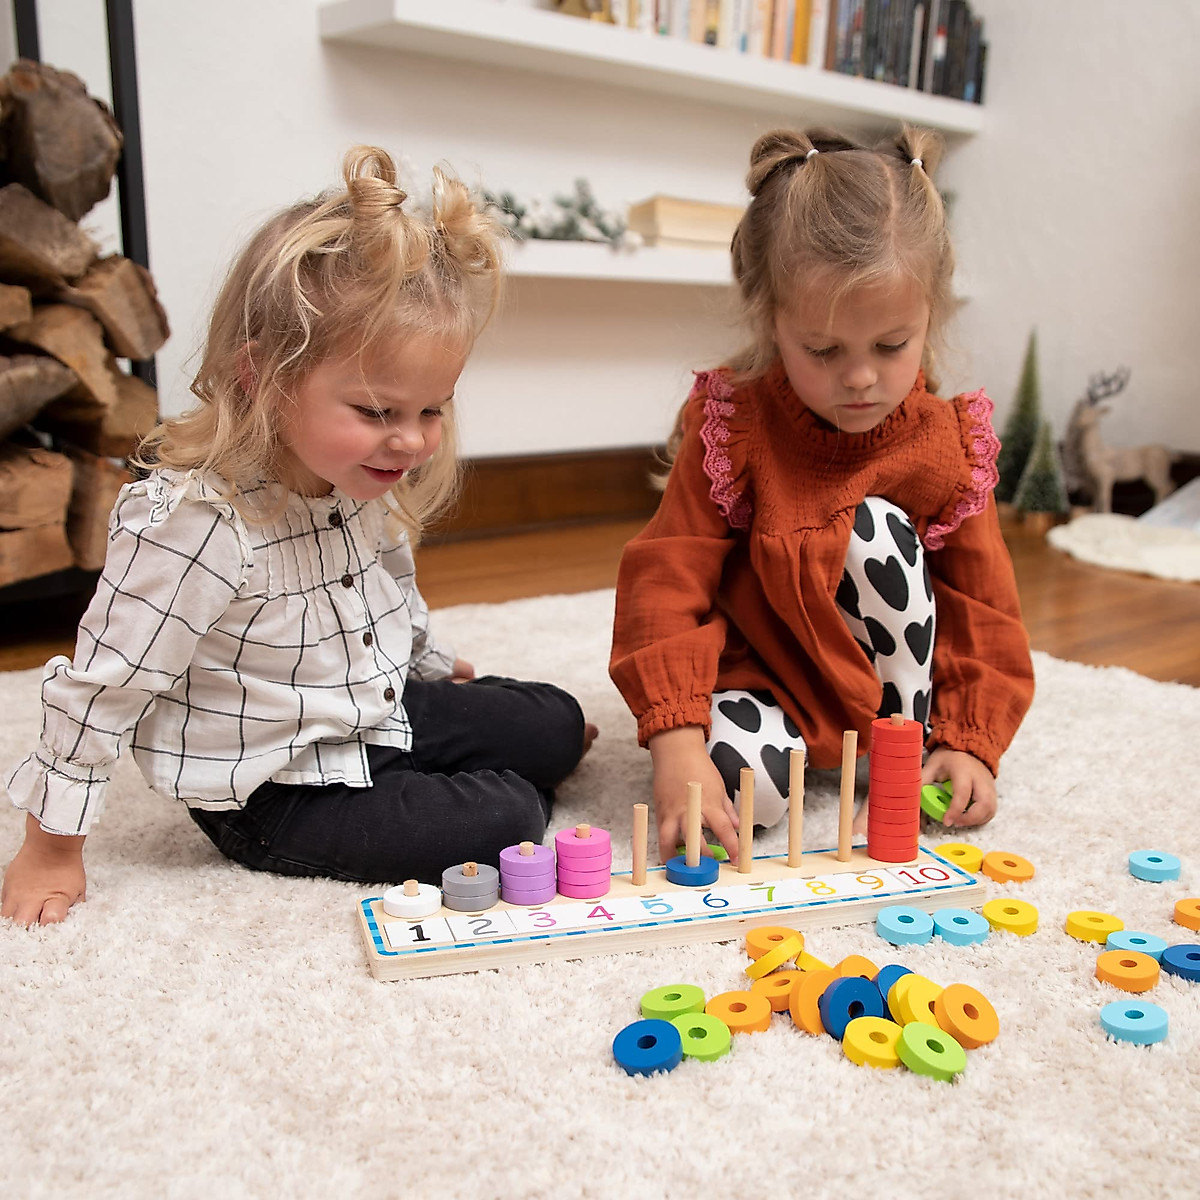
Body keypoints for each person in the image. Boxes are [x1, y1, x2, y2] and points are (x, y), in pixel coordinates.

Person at [2, 146, 593, 927]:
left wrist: (426, 666)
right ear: (262, 379)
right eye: (380, 412)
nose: (412, 442)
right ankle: (488, 792)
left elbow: (388, 586)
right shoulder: (193, 525)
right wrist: (51, 845)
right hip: (273, 788)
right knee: (510, 818)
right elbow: (104, 687)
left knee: (553, 722)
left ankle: (485, 759)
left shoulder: (358, 476)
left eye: (432, 409)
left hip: (371, 711)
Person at [610, 126, 1034, 864]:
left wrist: (972, 744)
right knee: (739, 799)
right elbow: (665, 580)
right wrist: (678, 744)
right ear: (770, 318)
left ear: (931, 314)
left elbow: (984, 608)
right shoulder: (734, 423)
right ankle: (817, 754)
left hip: (901, 705)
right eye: (825, 350)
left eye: (891, 345)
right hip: (771, 686)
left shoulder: (948, 444)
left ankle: (902, 745)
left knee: (870, 530)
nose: (861, 377)